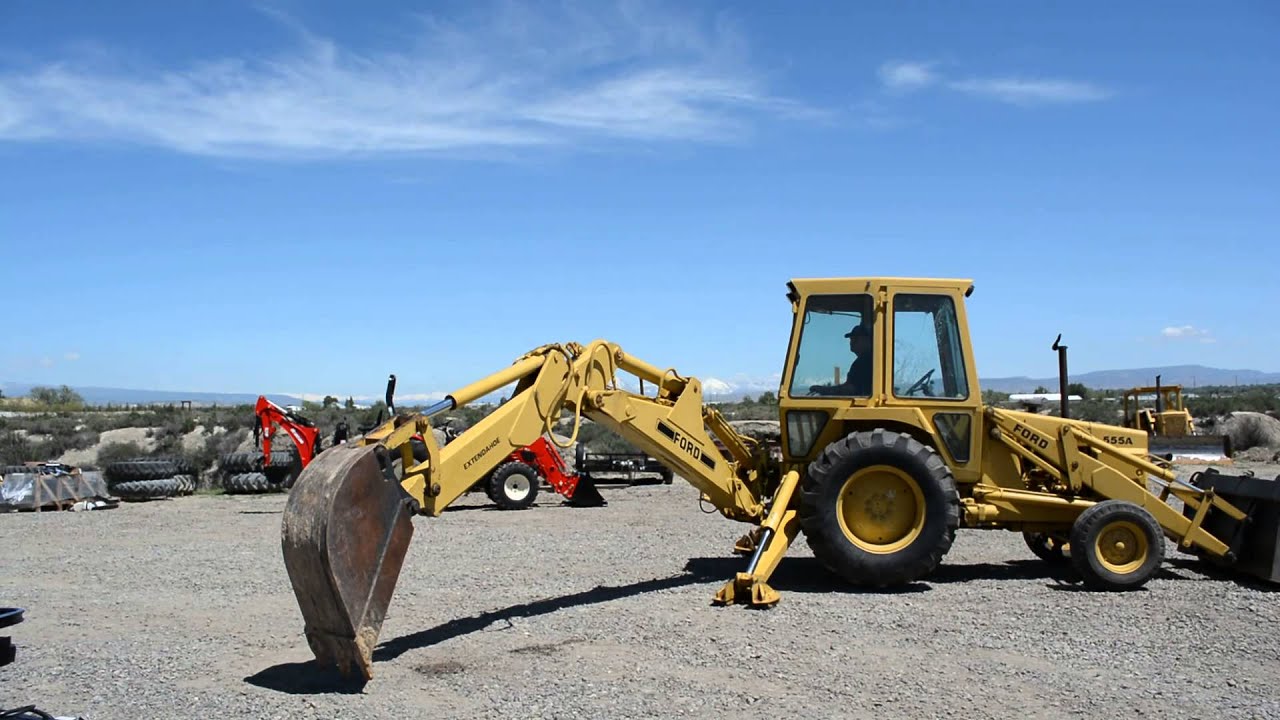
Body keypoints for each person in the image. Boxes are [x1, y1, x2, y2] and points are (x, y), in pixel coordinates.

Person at [810, 324, 873, 396]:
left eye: (856, 338)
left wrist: (824, 390)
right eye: (851, 339)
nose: (851, 342)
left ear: (866, 340)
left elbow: (850, 389)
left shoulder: (864, 362)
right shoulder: (862, 361)